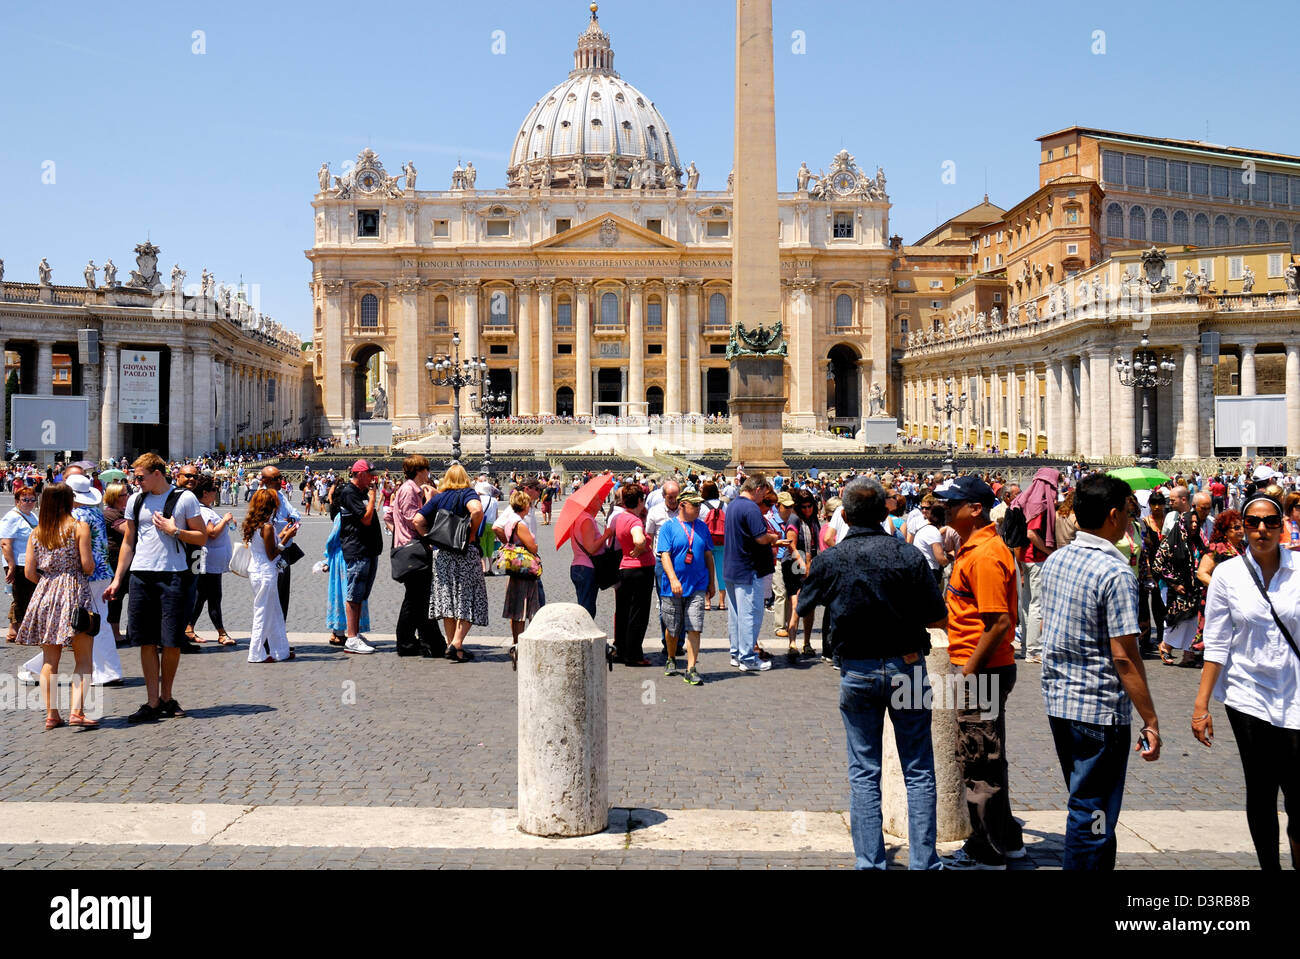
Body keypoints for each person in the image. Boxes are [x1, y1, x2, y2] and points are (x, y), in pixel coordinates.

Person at [797, 477, 946, 870]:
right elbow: (935, 614)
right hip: (908, 666)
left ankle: (870, 864)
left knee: (864, 771)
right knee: (918, 769)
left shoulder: (831, 560)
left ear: (843, 515)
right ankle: (925, 862)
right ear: (887, 513)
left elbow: (803, 605)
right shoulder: (909, 555)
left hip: (857, 670)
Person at [1040, 474, 1161, 870]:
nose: (1130, 520)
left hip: (1060, 703)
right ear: (1113, 515)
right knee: (1093, 814)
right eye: (1128, 512)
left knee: (1087, 807)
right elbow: (1124, 657)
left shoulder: (1056, 559)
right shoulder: (1116, 574)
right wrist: (1151, 718)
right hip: (1098, 711)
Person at [1193, 493, 1300, 870]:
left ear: (1282, 525)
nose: (1261, 529)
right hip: (1247, 693)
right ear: (1243, 529)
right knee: (1261, 788)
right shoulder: (1228, 574)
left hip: (1296, 693)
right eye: (1252, 522)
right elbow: (1218, 642)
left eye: (1270, 522)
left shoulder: (1299, 569)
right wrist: (1201, 706)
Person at [933, 477, 1027, 869]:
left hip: (980, 669)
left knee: (978, 760)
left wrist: (965, 674)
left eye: (950, 505)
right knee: (989, 755)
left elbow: (999, 623)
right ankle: (1007, 839)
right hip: (981, 666)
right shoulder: (974, 547)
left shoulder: (985, 555)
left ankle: (986, 851)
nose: (943, 511)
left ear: (974, 508)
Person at [104, 453, 207, 724]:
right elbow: (128, 542)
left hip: (174, 576)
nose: (135, 482)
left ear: (157, 473)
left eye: (140, 477)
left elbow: (202, 536)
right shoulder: (137, 501)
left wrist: (176, 531)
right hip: (141, 575)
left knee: (171, 640)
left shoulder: (184, 498)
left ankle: (167, 696)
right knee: (145, 640)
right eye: (134, 477)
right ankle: (152, 700)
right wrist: (117, 579)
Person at [12, 484, 98, 730]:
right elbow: (88, 565)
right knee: (83, 658)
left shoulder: (37, 532)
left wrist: (49, 583)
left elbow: (29, 572)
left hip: (45, 593)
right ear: (68, 501)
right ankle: (77, 712)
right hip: (73, 591)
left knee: (50, 660)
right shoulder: (78, 527)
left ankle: (52, 715)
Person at [414, 464, 487, 663]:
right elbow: (477, 511)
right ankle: (456, 643)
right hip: (464, 552)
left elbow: (417, 521)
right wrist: (471, 533)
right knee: (468, 597)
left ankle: (454, 648)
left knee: (448, 601)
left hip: (442, 554)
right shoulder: (467, 494)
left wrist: (429, 538)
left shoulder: (439, 498)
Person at [657, 491, 715, 686]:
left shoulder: (702, 527)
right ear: (682, 505)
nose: (698, 509)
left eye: (699, 505)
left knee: (694, 627)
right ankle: (671, 657)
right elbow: (664, 555)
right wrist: (673, 579)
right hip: (673, 587)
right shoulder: (668, 527)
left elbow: (708, 556)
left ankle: (691, 668)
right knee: (672, 629)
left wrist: (712, 582)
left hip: (697, 584)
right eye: (694, 505)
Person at [391, 455, 445, 659]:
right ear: (420, 470)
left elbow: (390, 516)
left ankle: (425, 642)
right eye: (427, 469)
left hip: (412, 546)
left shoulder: (414, 489)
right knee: (415, 599)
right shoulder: (408, 490)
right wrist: (430, 502)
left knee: (418, 599)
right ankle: (406, 643)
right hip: (412, 549)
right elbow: (415, 519)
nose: (428, 472)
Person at [724, 474, 778, 673]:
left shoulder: (732, 506)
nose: (763, 497)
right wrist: (773, 538)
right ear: (757, 489)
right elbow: (761, 538)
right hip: (748, 568)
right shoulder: (751, 508)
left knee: (736, 614)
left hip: (732, 567)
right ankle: (748, 657)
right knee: (750, 614)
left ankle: (736, 654)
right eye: (763, 493)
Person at [332, 460, 382, 655]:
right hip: (357, 549)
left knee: (361, 595)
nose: (373, 477)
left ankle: (356, 633)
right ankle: (351, 638)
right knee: (354, 595)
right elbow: (366, 519)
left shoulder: (361, 492)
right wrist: (372, 497)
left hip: (369, 549)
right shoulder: (350, 493)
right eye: (370, 474)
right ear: (359, 474)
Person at [1012, 467, 1062, 663]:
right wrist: (1050, 551)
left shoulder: (1027, 497)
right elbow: (1031, 533)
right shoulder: (1039, 502)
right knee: (1037, 605)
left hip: (1025, 557)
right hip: (1036, 558)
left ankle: (1026, 645)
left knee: (1026, 603)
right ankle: (1034, 650)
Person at [243, 489, 294, 663]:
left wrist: (281, 535)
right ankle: (255, 653)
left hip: (256, 570)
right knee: (263, 612)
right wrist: (286, 539)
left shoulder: (254, 524)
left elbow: (267, 544)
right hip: (265, 572)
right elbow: (272, 553)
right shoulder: (267, 526)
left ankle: (281, 650)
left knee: (274, 611)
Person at [494, 487, 546, 660]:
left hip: (515, 567)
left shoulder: (511, 520)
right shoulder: (521, 524)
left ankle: (516, 643)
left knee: (516, 609)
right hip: (524, 567)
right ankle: (523, 645)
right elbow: (533, 546)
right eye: (529, 504)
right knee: (524, 607)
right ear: (524, 506)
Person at [1152, 509, 1205, 667]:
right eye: (1191, 522)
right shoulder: (1171, 542)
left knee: (1192, 620)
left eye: (1196, 522)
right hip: (1173, 589)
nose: (1194, 525)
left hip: (1193, 588)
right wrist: (1174, 583)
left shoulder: (1197, 542)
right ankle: (1165, 645)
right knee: (1178, 619)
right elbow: (1157, 565)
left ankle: (1188, 655)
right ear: (1184, 523)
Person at [610, 483, 656, 667]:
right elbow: (639, 538)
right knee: (639, 613)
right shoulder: (635, 521)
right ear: (639, 500)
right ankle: (634, 654)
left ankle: (621, 650)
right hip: (640, 570)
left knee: (623, 611)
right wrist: (641, 547)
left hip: (624, 568)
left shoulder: (621, 516)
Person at [189, 475, 236, 647]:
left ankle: (189, 627)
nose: (216, 493)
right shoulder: (203, 511)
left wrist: (226, 522)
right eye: (214, 490)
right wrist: (224, 520)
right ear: (205, 493)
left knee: (202, 596)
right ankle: (221, 633)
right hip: (209, 561)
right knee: (213, 596)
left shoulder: (205, 508)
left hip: (212, 560)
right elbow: (212, 533)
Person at [781, 488, 821, 658]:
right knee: (796, 603)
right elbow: (791, 546)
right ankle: (792, 643)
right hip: (794, 564)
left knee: (810, 605)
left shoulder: (813, 520)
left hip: (810, 563)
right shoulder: (794, 519)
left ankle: (807, 642)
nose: (807, 510)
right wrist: (804, 567)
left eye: (809, 506)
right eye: (803, 507)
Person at [260, 465, 302, 624]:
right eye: (275, 479)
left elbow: (296, 514)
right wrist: (283, 534)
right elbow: (267, 527)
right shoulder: (262, 498)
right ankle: (270, 640)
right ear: (264, 480)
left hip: (284, 551)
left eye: (280, 477)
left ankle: (279, 638)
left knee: (283, 593)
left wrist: (291, 519)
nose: (280, 481)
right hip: (273, 551)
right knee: (273, 595)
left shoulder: (281, 496)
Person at [569, 490, 615, 620]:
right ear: (588, 503)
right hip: (587, 568)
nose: (600, 501)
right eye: (596, 499)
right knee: (587, 610)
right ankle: (585, 637)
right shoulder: (586, 520)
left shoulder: (579, 517)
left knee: (584, 605)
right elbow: (591, 548)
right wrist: (606, 535)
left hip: (578, 565)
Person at [2, 485, 39, 642]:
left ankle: (13, 631)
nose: (29, 502)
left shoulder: (32, 516)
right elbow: (5, 543)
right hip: (18, 563)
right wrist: (11, 565)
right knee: (23, 597)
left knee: (23, 596)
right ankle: (23, 633)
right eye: (25, 499)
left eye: (32, 499)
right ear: (17, 501)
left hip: (30, 562)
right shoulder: (11, 517)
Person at [1137, 490, 1168, 656]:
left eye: (1159, 504)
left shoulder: (1169, 521)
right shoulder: (1145, 522)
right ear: (1149, 505)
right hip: (1151, 567)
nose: (1157, 507)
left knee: (1164, 602)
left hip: (1167, 566)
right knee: (1150, 602)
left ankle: (1164, 636)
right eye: (1153, 504)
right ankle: (1146, 637)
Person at [101, 482, 130, 647]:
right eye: (123, 494)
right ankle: (114, 632)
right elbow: (128, 531)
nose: (127, 497)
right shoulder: (110, 514)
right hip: (114, 560)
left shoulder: (122, 512)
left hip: (124, 560)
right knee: (115, 598)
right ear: (114, 497)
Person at [700, 480, 727, 611]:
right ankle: (722, 602)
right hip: (722, 541)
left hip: (707, 543)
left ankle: (707, 601)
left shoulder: (702, 506)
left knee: (706, 571)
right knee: (722, 573)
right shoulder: (724, 505)